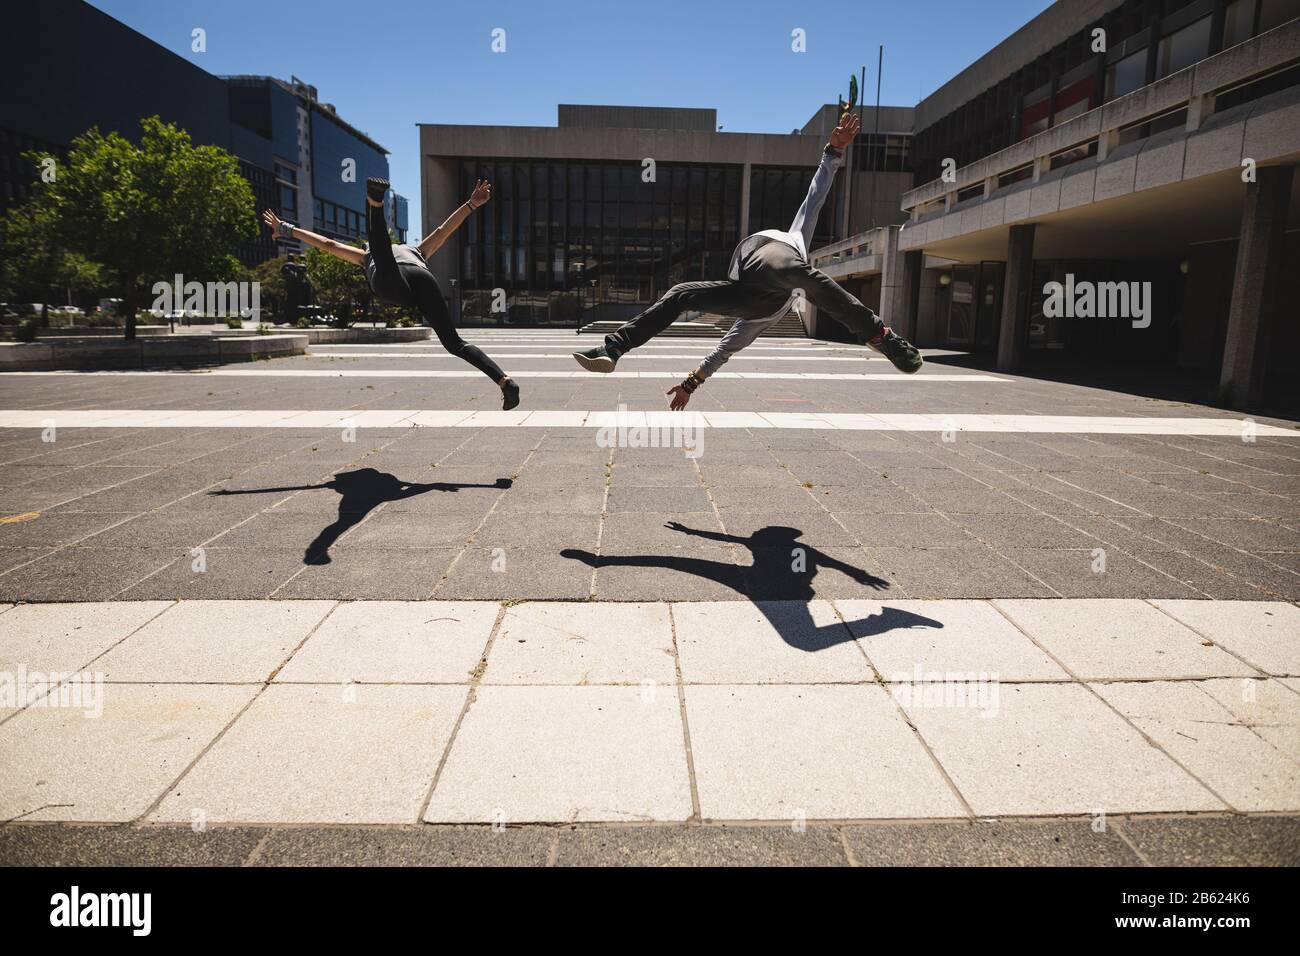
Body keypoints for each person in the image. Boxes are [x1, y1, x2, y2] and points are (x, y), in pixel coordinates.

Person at [571, 111, 921, 410]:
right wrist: (832, 154)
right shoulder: (795, 244)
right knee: (682, 292)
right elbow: (814, 199)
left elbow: (725, 349)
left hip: (770, 285)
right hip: (751, 289)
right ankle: (614, 347)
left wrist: (834, 151)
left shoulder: (789, 265)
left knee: (803, 277)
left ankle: (879, 335)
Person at [262, 177, 520, 410]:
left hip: (392, 282)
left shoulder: (366, 255)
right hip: (421, 276)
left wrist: (286, 229)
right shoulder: (416, 249)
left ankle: (375, 203)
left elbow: (328, 245)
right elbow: (444, 230)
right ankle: (504, 381)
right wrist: (471, 205)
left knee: (381, 258)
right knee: (455, 343)